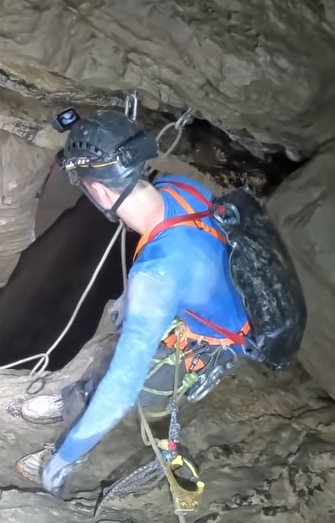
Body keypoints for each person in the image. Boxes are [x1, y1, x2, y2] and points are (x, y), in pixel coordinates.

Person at [14, 108, 253, 496]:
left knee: (142, 392)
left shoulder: (156, 277)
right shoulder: (178, 187)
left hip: (205, 340)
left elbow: (121, 390)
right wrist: (128, 299)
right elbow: (173, 246)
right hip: (208, 299)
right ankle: (72, 402)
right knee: (113, 353)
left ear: (100, 191)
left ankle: (72, 447)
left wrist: (62, 462)